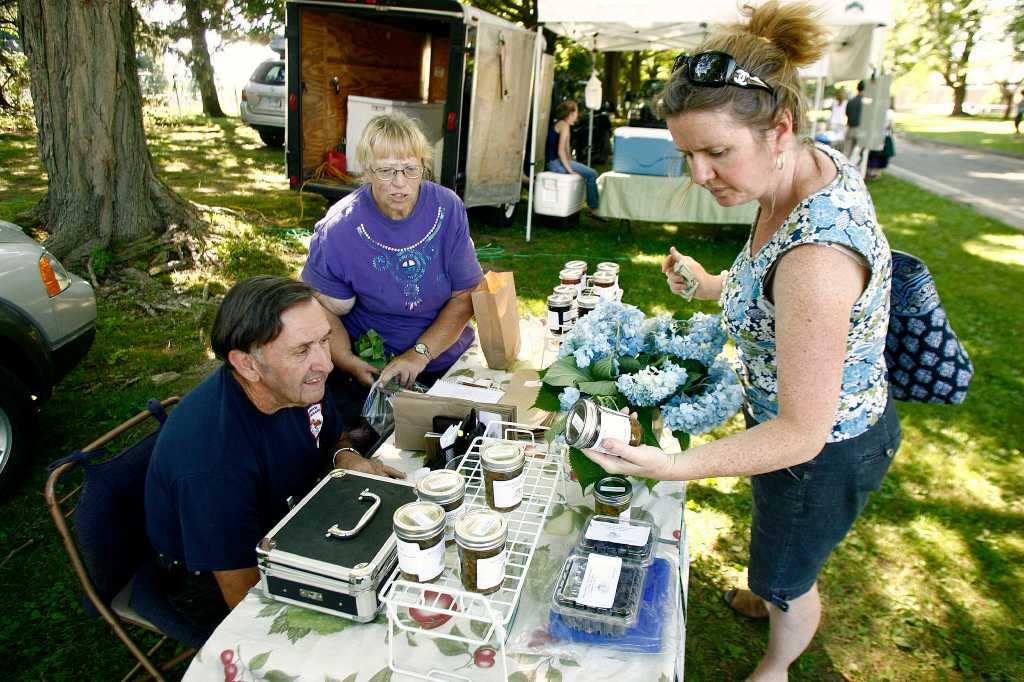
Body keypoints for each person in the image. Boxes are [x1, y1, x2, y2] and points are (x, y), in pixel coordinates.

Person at [582, 3, 901, 679]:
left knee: (790, 574)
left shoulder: (819, 258)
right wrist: (710, 286)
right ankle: (771, 580)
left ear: (778, 128)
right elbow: (768, 279)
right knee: (777, 541)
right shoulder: (792, 169)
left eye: (716, 152)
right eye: (688, 154)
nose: (699, 175)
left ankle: (777, 660)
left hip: (825, 449)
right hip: (793, 427)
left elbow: (800, 434)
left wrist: (669, 467)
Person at [145, 276, 404, 640]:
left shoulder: (298, 385)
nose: (326, 364)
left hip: (295, 522)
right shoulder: (212, 464)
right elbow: (244, 598)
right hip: (216, 582)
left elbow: (333, 437)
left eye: (325, 341)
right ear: (248, 366)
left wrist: (345, 458)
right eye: (301, 351)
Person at [302, 113, 484, 424]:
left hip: (445, 358)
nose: (399, 183)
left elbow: (466, 294)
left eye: (410, 170)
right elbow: (317, 306)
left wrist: (419, 355)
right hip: (371, 369)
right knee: (362, 442)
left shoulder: (447, 208)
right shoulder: (340, 227)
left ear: (423, 166)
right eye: (385, 171)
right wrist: (346, 360)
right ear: (367, 170)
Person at [546, 100, 603, 218]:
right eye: (576, 111)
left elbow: (567, 149)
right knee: (592, 174)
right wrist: (570, 170)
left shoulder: (562, 124)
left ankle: (586, 207)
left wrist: (572, 163)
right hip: (555, 164)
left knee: (586, 173)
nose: (578, 114)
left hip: (555, 162)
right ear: (571, 113)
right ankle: (594, 209)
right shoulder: (564, 125)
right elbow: (560, 150)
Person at [866, 100, 896, 180]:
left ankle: (871, 171)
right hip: (885, 135)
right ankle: (876, 172)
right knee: (880, 156)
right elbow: (891, 126)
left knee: (875, 155)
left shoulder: (876, 110)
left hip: (876, 135)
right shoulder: (889, 113)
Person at [843, 80, 865, 158]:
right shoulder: (865, 102)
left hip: (850, 128)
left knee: (846, 152)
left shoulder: (851, 101)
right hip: (860, 129)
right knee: (857, 154)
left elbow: (847, 113)